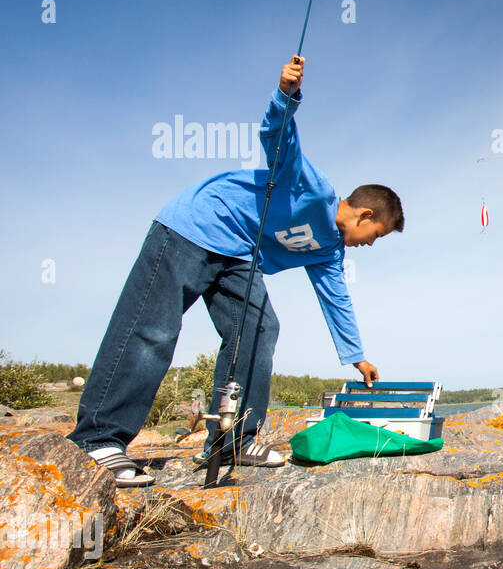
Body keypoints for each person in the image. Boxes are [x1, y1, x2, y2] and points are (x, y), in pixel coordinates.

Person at [69, 56, 403, 486]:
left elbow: (335, 298)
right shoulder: (315, 190)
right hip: (196, 227)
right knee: (154, 331)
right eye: (374, 234)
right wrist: (286, 95)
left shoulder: (329, 252)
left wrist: (356, 356)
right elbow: (278, 139)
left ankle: (232, 440)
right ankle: (98, 439)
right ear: (364, 214)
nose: (369, 244)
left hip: (240, 258)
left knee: (261, 328)